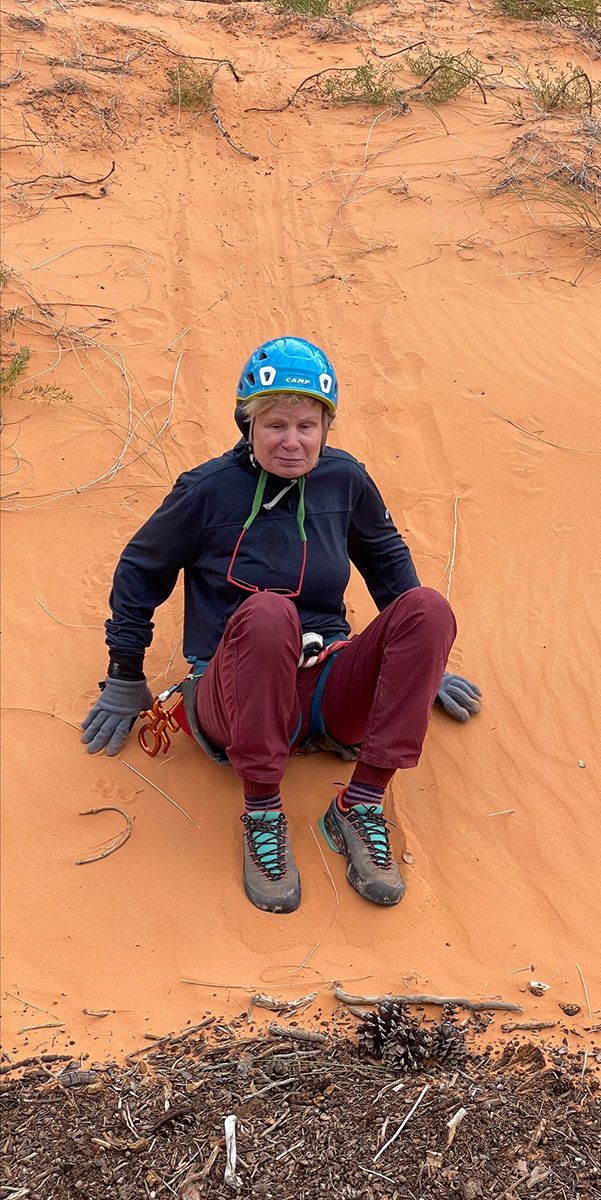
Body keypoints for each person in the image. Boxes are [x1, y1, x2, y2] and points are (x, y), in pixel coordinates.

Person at [81, 336, 482, 915]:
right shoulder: (207, 490)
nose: (291, 441)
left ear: (326, 426)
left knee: (430, 609)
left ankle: (361, 804)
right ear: (248, 424)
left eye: (306, 425)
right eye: (274, 425)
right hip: (234, 691)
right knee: (270, 611)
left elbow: (388, 560)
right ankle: (263, 814)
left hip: (324, 685)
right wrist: (124, 672)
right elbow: (142, 569)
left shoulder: (345, 480)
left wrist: (421, 665)